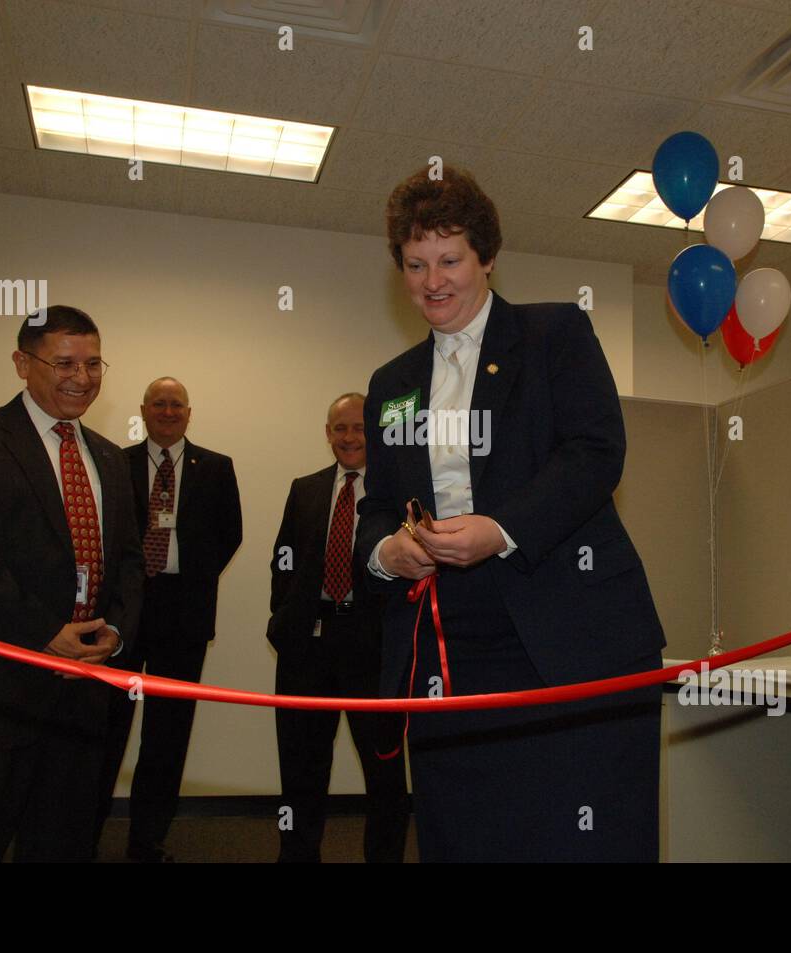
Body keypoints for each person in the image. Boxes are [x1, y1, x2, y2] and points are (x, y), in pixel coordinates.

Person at [355, 167, 666, 862]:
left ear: (487, 257)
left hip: (567, 635)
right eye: (415, 263)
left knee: (582, 836)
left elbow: (595, 451)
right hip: (450, 647)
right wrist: (388, 552)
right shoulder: (391, 385)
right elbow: (377, 508)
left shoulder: (554, 333)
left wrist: (500, 528)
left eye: (450, 259)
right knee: (466, 834)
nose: (433, 280)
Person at [0, 306, 144, 862]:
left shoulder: (111, 459)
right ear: (22, 363)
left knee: (61, 846)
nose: (82, 378)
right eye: (65, 362)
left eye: (94, 364)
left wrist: (114, 629)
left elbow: (131, 565)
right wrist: (45, 632)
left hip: (82, 702)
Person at [94, 377, 242, 863]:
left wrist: (192, 577)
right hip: (124, 610)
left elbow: (229, 534)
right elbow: (104, 533)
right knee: (107, 728)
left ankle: (147, 839)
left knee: (167, 734)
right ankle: (83, 832)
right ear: (143, 409)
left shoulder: (216, 468)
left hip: (185, 613)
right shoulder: (116, 462)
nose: (167, 411)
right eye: (158, 403)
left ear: (189, 412)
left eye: (176, 404)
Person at [267, 393, 409, 863]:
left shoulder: (395, 492)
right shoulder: (304, 488)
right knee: (301, 768)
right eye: (339, 429)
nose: (349, 438)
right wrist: (283, 620)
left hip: (373, 649)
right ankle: (298, 855)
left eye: (359, 428)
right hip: (308, 647)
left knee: (383, 772)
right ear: (327, 433)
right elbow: (283, 559)